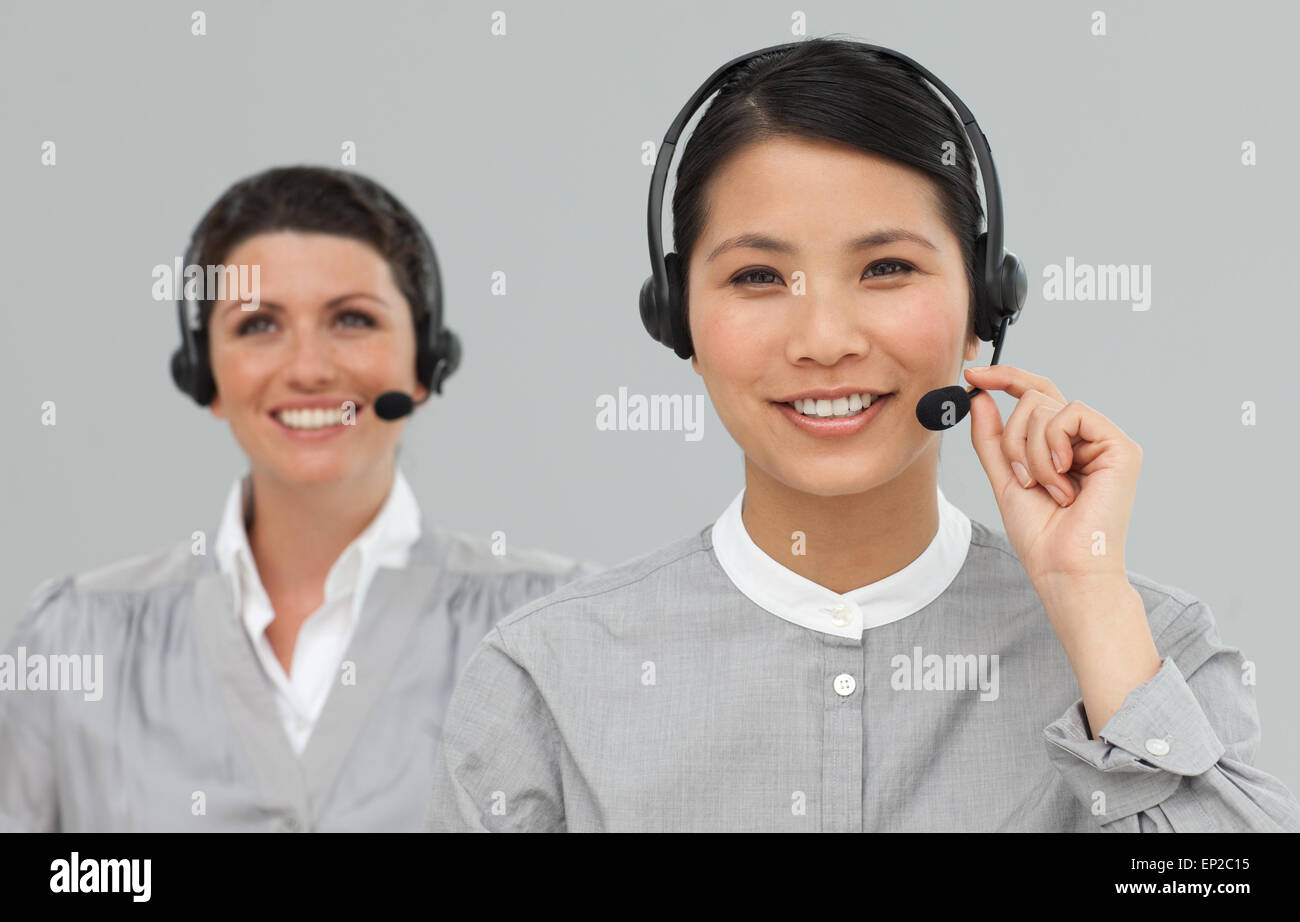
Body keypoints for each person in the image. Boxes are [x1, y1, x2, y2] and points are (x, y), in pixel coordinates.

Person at [426, 38, 1300, 831]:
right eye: (759, 276)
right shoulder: (545, 679)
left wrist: (1087, 604)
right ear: (675, 320)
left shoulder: (1150, 647)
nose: (825, 339)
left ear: (985, 308)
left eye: (887, 268)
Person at [0, 165, 595, 831]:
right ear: (204, 375)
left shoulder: (559, 631)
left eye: (351, 319)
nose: (309, 368)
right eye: (259, 324)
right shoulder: (75, 638)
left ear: (426, 362)